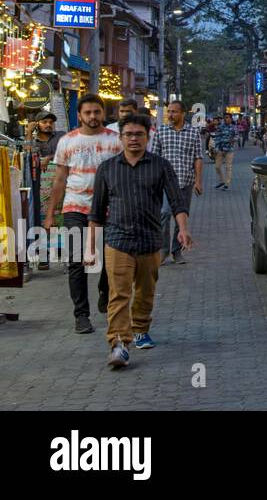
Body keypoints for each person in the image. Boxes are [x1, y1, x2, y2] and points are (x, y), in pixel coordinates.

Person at [86, 114, 191, 369]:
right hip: (117, 240)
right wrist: (90, 248)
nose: (134, 139)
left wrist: (183, 229)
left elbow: (177, 200)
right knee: (118, 294)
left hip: (150, 239)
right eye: (129, 134)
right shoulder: (107, 168)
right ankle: (119, 344)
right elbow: (96, 212)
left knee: (145, 291)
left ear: (148, 136)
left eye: (139, 134)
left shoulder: (161, 166)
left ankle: (141, 328)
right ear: (121, 138)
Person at [43, 95, 122, 333]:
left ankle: (104, 290)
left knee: (109, 258)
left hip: (109, 209)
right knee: (76, 261)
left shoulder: (116, 140)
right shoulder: (67, 141)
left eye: (97, 112)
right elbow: (60, 179)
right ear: (79, 115)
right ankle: (81, 315)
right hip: (75, 207)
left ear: (103, 113)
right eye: (88, 112)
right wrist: (50, 213)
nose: (93, 116)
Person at [149, 100, 204, 264]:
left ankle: (176, 251)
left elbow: (198, 157)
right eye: (169, 111)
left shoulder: (193, 132)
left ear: (183, 113)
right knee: (164, 214)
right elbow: (155, 156)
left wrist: (198, 181)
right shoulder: (161, 131)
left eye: (174, 111)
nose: (170, 115)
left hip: (186, 181)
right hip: (165, 183)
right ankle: (163, 250)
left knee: (182, 217)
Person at [25, 111, 64, 272]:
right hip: (40, 186)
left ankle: (66, 254)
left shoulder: (61, 136)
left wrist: (50, 157)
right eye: (44, 122)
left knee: (59, 218)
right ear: (37, 124)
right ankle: (43, 256)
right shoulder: (33, 140)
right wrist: (28, 132)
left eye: (50, 122)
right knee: (40, 219)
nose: (48, 125)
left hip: (60, 185)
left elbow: (68, 153)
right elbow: (27, 155)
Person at [210, 113, 237, 191]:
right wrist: (216, 148)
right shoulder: (220, 127)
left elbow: (237, 136)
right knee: (217, 167)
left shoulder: (234, 127)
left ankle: (227, 184)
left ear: (231, 119)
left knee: (228, 167)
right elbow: (217, 137)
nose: (226, 119)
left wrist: (233, 139)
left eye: (227, 117)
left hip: (229, 150)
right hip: (220, 149)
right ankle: (222, 181)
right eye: (225, 117)